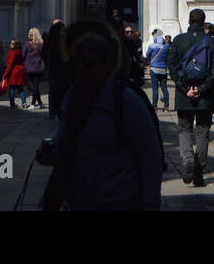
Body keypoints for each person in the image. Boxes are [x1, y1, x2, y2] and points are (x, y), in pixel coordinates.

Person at [39, 23, 163, 211]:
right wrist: (51, 153)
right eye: (76, 61)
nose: (80, 68)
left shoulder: (125, 100)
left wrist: (151, 202)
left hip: (119, 201)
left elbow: (149, 154)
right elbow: (68, 142)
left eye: (88, 62)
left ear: (106, 64)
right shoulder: (72, 97)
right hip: (80, 201)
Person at [167, 8, 214, 187]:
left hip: (185, 96)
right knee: (203, 131)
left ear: (189, 20)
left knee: (184, 129)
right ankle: (198, 174)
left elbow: (172, 68)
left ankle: (188, 158)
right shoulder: (212, 42)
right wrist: (201, 89)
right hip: (204, 96)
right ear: (203, 21)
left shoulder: (178, 40)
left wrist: (186, 89)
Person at [44, 20, 69, 121]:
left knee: (54, 92)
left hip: (55, 71)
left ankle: (53, 112)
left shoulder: (51, 42)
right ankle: (58, 111)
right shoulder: (59, 43)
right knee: (58, 91)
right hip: (58, 71)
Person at [145, 28, 170, 111]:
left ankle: (155, 106)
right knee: (164, 89)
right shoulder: (166, 46)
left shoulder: (152, 45)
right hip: (163, 70)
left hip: (154, 69)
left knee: (155, 89)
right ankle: (166, 106)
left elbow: (147, 55)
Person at [24, 28, 47, 109]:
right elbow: (44, 55)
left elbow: (23, 55)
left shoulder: (27, 44)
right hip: (39, 68)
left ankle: (32, 104)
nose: (28, 34)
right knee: (36, 86)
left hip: (30, 68)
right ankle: (40, 103)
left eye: (29, 33)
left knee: (35, 87)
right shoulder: (41, 44)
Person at [3, 38, 29, 109]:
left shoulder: (13, 52)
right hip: (19, 72)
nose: (10, 45)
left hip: (14, 72)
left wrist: (5, 74)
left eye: (12, 44)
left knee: (12, 88)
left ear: (16, 45)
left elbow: (10, 64)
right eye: (10, 43)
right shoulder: (19, 52)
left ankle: (12, 104)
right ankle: (24, 103)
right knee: (20, 88)